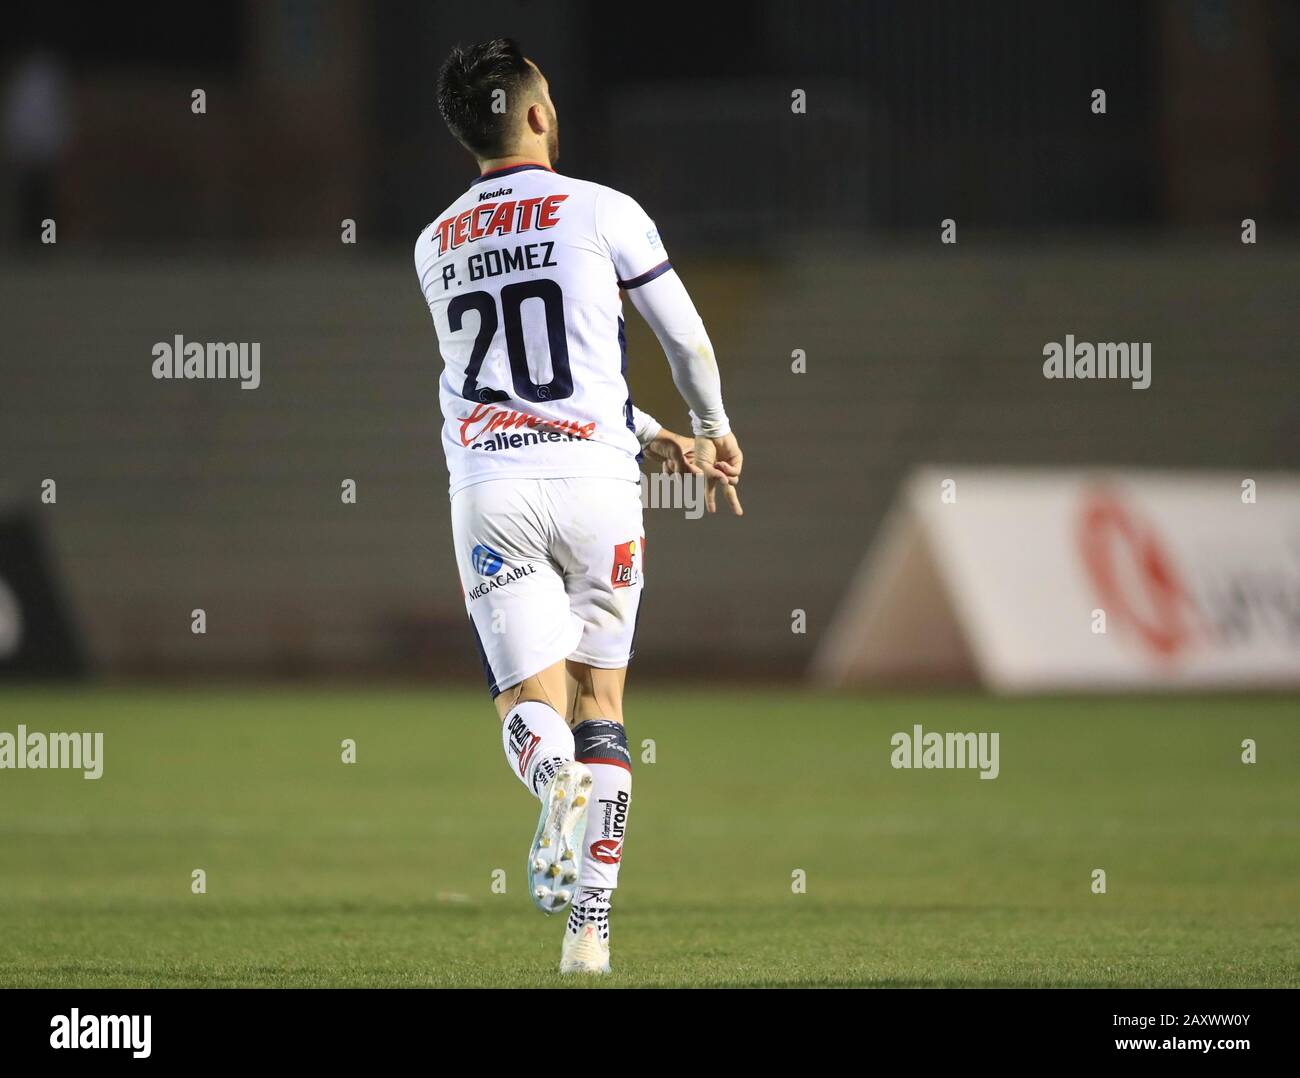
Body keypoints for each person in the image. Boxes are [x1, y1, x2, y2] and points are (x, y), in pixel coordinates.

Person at [414, 38, 742, 974]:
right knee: (602, 703)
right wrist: (708, 427)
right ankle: (588, 934)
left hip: (490, 489)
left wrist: (646, 430)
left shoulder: (435, 243)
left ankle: (550, 779)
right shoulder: (604, 211)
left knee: (532, 705)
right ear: (539, 114)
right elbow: (684, 338)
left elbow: (518, 377)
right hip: (597, 489)